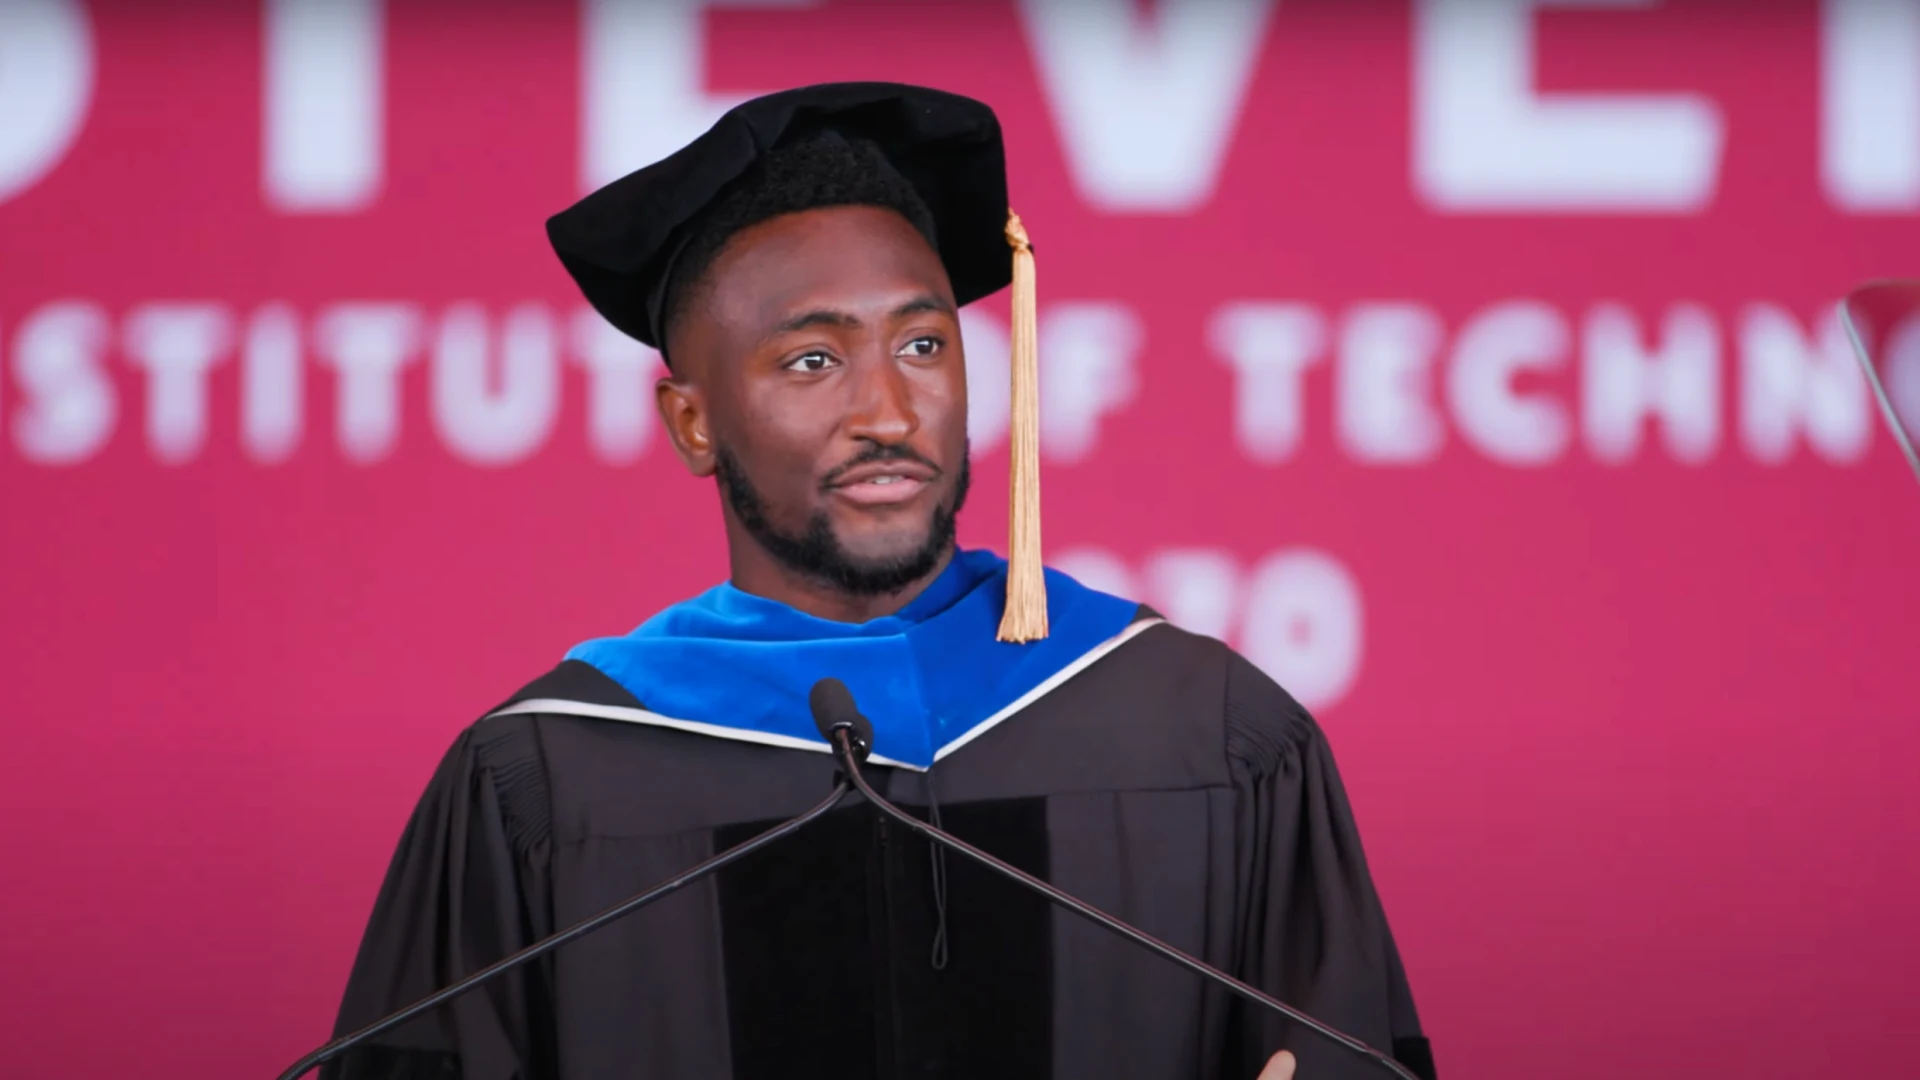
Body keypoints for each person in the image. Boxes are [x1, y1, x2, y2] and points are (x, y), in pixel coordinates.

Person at [324, 82, 1434, 1080]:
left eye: (923, 346)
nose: (890, 415)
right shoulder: (553, 777)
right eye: (813, 361)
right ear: (692, 421)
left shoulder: (1206, 734)